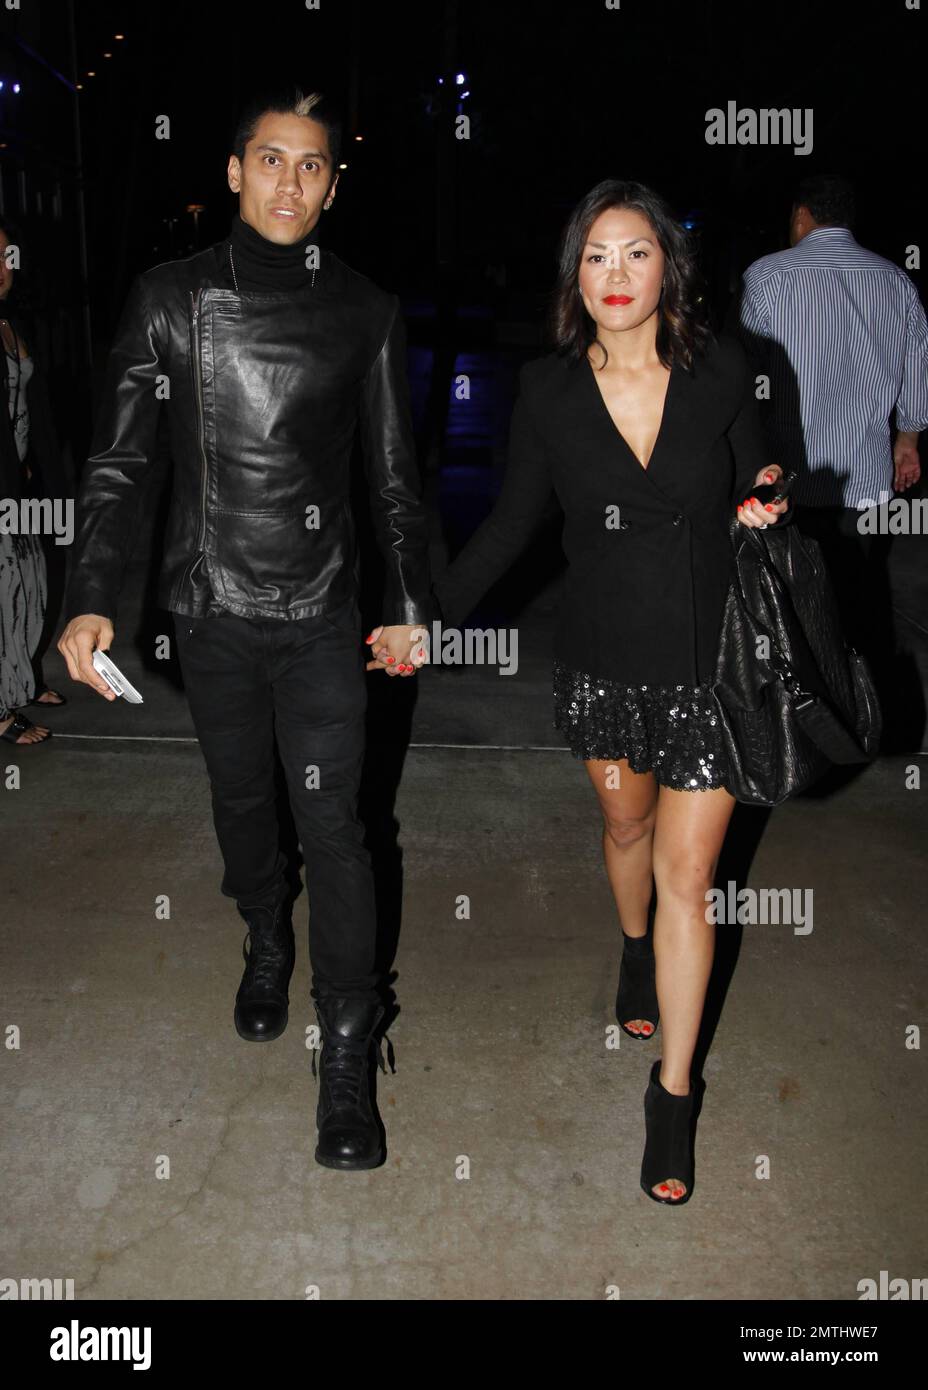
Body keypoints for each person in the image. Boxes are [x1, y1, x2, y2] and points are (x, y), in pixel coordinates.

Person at [57, 86, 436, 1171]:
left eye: (312, 165)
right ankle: (266, 932)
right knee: (241, 806)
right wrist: (92, 593)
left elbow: (396, 480)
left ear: (330, 183)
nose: (290, 182)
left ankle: (349, 1049)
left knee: (340, 830)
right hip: (209, 607)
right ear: (233, 172)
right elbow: (122, 463)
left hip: (320, 611)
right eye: (270, 159)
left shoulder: (364, 308)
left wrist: (409, 605)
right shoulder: (168, 299)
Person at [428, 179, 789, 1205]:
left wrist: (762, 504)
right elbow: (508, 527)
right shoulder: (545, 393)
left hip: (711, 664)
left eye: (635, 254)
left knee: (689, 873)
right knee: (627, 834)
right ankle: (631, 948)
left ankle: (671, 1093)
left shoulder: (725, 368)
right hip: (604, 664)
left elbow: (761, 473)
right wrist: (431, 614)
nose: (616, 275)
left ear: (667, 266)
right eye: (596, 257)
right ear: (572, 276)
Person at [735, 174, 928, 705]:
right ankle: (851, 703)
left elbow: (746, 372)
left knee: (786, 599)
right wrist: (907, 440)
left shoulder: (767, 275)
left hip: (784, 474)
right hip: (863, 474)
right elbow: (917, 365)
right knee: (854, 593)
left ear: (801, 216)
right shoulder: (895, 281)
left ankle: (797, 706)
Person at [0, 217, 68, 747]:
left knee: (32, 581)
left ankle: (22, 678)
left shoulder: (10, 322)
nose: (2, 269)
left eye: (5, 256)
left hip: (22, 486)